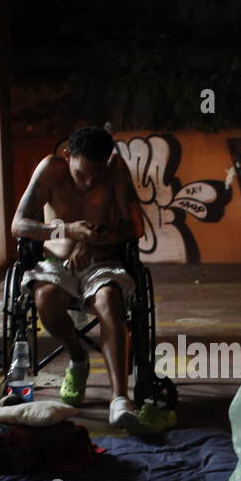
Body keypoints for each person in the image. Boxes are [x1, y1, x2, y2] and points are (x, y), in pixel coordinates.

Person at [11, 126, 144, 428]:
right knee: (44, 298)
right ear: (68, 155)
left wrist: (93, 239)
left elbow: (135, 229)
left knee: (110, 301)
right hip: (56, 262)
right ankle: (78, 358)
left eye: (96, 176)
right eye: (82, 173)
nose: (89, 182)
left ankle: (120, 399)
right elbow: (19, 225)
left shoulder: (115, 172)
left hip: (103, 262)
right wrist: (67, 230)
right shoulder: (50, 170)